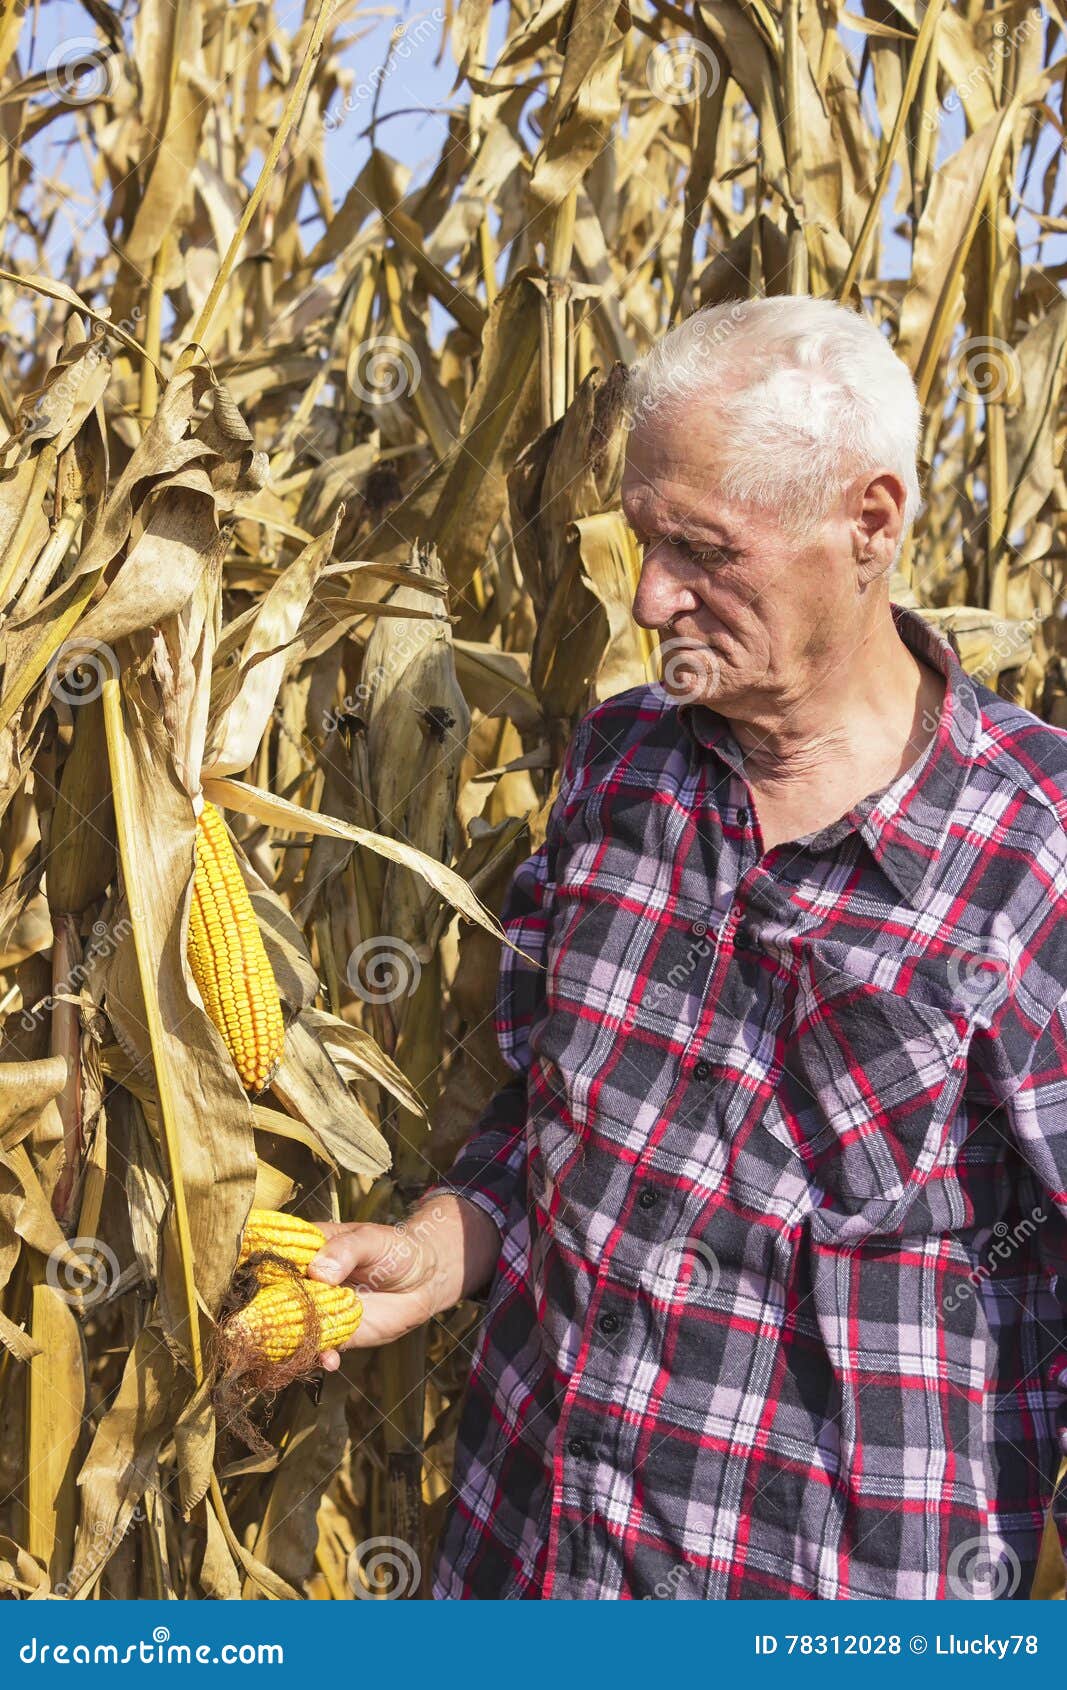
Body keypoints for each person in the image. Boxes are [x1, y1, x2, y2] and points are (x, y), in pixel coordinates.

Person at [309, 294, 1067, 1600]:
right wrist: (440, 1247)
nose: (652, 594)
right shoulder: (621, 765)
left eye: (701, 548)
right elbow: (542, 1114)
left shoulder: (1033, 855)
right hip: (526, 1566)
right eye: (643, 538)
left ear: (871, 523)